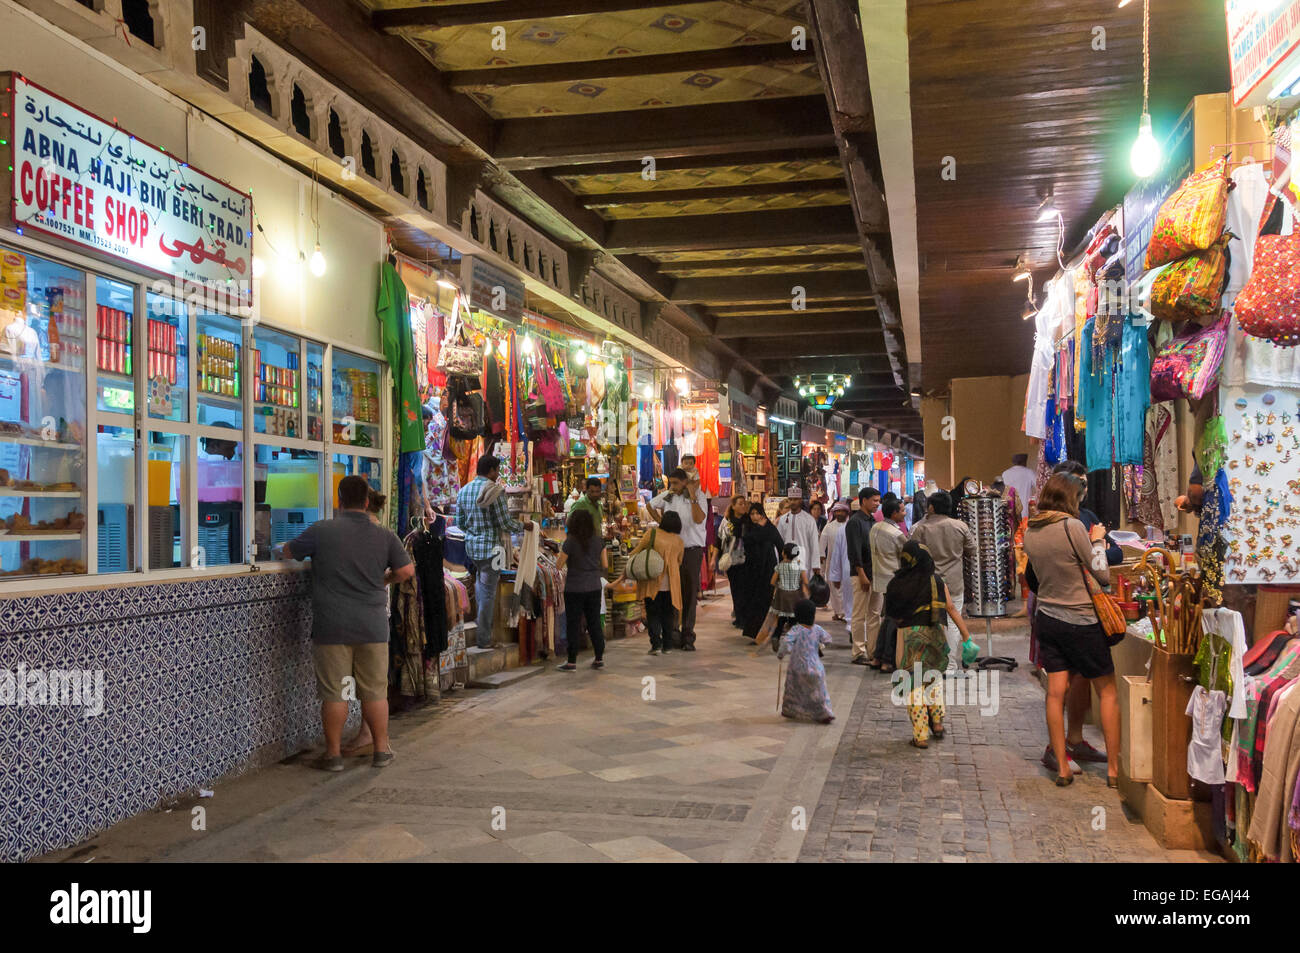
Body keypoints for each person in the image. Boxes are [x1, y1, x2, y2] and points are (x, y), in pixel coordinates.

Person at [280, 475, 414, 772]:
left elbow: (288, 551)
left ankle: (334, 755)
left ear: (339, 500)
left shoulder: (322, 530)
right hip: (372, 626)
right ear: (367, 502)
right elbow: (406, 570)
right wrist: (384, 579)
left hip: (332, 626)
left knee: (335, 692)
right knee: (374, 691)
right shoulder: (384, 535)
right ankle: (380, 751)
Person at [1023, 473, 1120, 787]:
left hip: (1048, 618)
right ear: (1070, 498)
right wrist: (1097, 542)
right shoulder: (1071, 526)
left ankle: (1063, 766)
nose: (1081, 504)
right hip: (1080, 619)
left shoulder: (1031, 531)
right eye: (1079, 498)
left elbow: (1035, 577)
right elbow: (1102, 574)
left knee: (1054, 693)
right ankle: (1115, 771)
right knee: (1107, 691)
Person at [886, 540, 973, 749]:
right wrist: (966, 637)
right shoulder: (936, 581)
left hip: (907, 637)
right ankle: (937, 722)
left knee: (913, 684)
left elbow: (893, 616)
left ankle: (921, 735)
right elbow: (951, 609)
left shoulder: (896, 583)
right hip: (934, 634)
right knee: (933, 679)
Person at [456, 455, 535, 649]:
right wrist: (524, 526)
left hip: (472, 549)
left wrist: (474, 534)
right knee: (488, 593)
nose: (498, 474)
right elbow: (505, 523)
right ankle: (484, 639)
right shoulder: (496, 492)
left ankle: (482, 632)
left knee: (481, 588)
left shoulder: (464, 490)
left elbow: (460, 523)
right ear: (491, 470)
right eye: (497, 470)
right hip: (492, 550)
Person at [909, 490, 978, 678]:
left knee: (929, 623)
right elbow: (972, 550)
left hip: (928, 582)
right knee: (953, 624)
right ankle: (950, 665)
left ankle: (930, 662)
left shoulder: (921, 529)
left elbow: (911, 553)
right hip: (954, 582)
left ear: (931, 507)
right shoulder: (960, 526)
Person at [648, 468, 707, 649]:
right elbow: (650, 505)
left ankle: (688, 636)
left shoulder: (699, 496)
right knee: (673, 591)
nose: (672, 486)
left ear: (684, 482)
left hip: (691, 550)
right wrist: (662, 524)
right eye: (670, 483)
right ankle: (673, 633)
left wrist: (692, 496)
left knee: (689, 594)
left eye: (675, 483)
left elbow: (699, 519)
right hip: (672, 549)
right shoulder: (668, 496)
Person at [616, 510, 685, 655]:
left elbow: (637, 550)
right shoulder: (678, 541)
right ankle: (668, 645)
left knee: (653, 613)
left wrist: (629, 563)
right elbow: (679, 561)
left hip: (652, 582)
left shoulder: (652, 534)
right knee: (668, 614)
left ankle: (656, 645)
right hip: (671, 584)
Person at [555, 507, 608, 671]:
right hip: (594, 585)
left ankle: (571, 662)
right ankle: (599, 658)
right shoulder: (599, 541)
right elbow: (605, 564)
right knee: (594, 622)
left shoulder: (570, 541)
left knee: (573, 623)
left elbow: (559, 565)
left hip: (574, 587)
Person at [776, 600, 835, 723]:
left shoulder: (796, 630)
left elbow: (786, 643)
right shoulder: (817, 629)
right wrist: (820, 645)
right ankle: (824, 712)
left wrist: (781, 654)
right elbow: (828, 639)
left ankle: (790, 709)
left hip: (797, 667)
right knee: (818, 691)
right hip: (816, 667)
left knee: (793, 689)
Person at [868, 497, 907, 670]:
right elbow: (906, 556)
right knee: (894, 621)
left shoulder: (875, 527)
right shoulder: (896, 534)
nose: (905, 513)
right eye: (902, 510)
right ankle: (886, 660)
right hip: (895, 581)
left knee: (886, 618)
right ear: (894, 513)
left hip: (879, 579)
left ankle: (877, 657)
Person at [737, 502, 785, 642]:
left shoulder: (770, 528)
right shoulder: (748, 526)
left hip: (767, 567)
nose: (754, 516)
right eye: (752, 513)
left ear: (762, 513)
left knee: (765, 598)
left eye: (757, 513)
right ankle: (753, 632)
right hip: (751, 568)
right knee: (752, 599)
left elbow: (780, 545)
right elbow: (744, 541)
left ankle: (763, 632)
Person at [846, 487, 882, 664]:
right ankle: (859, 651)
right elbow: (854, 551)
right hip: (861, 575)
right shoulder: (855, 522)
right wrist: (861, 574)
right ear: (864, 500)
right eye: (874, 500)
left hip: (875, 574)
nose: (877, 504)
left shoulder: (872, 520)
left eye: (878, 500)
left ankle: (873, 650)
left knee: (874, 614)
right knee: (860, 614)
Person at [765, 542, 809, 652]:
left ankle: (776, 637)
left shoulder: (779, 566)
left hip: (782, 596)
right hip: (795, 596)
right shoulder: (799, 566)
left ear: (784, 554)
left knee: (781, 620)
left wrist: (779, 583)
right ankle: (793, 641)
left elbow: (772, 581)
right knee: (794, 621)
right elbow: (805, 581)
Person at [714, 495, 749, 627]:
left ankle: (744, 616)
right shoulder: (727, 521)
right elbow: (719, 540)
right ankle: (739, 616)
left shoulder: (748, 520)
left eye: (744, 504)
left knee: (745, 588)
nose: (743, 506)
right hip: (731, 559)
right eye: (740, 504)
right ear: (733, 506)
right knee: (735, 588)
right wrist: (714, 558)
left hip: (745, 559)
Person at [776, 484, 821, 575]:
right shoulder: (783, 519)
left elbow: (814, 543)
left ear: (800, 500)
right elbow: (779, 542)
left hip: (804, 560)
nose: (793, 502)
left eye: (795, 499)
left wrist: (816, 564)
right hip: (787, 560)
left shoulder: (809, 519)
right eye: (791, 499)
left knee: (804, 587)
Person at [820, 501, 850, 622]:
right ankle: (838, 612)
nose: (839, 513)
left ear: (846, 512)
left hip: (847, 561)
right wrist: (821, 555)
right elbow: (822, 542)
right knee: (833, 587)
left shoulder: (850, 526)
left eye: (842, 511)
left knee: (846, 587)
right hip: (832, 561)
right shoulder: (829, 527)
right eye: (837, 511)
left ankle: (845, 612)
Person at [1001, 453, 1035, 522]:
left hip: (1009, 510)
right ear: (1024, 461)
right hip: (1024, 510)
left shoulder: (1005, 473)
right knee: (1023, 530)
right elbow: (1039, 486)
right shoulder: (1029, 472)